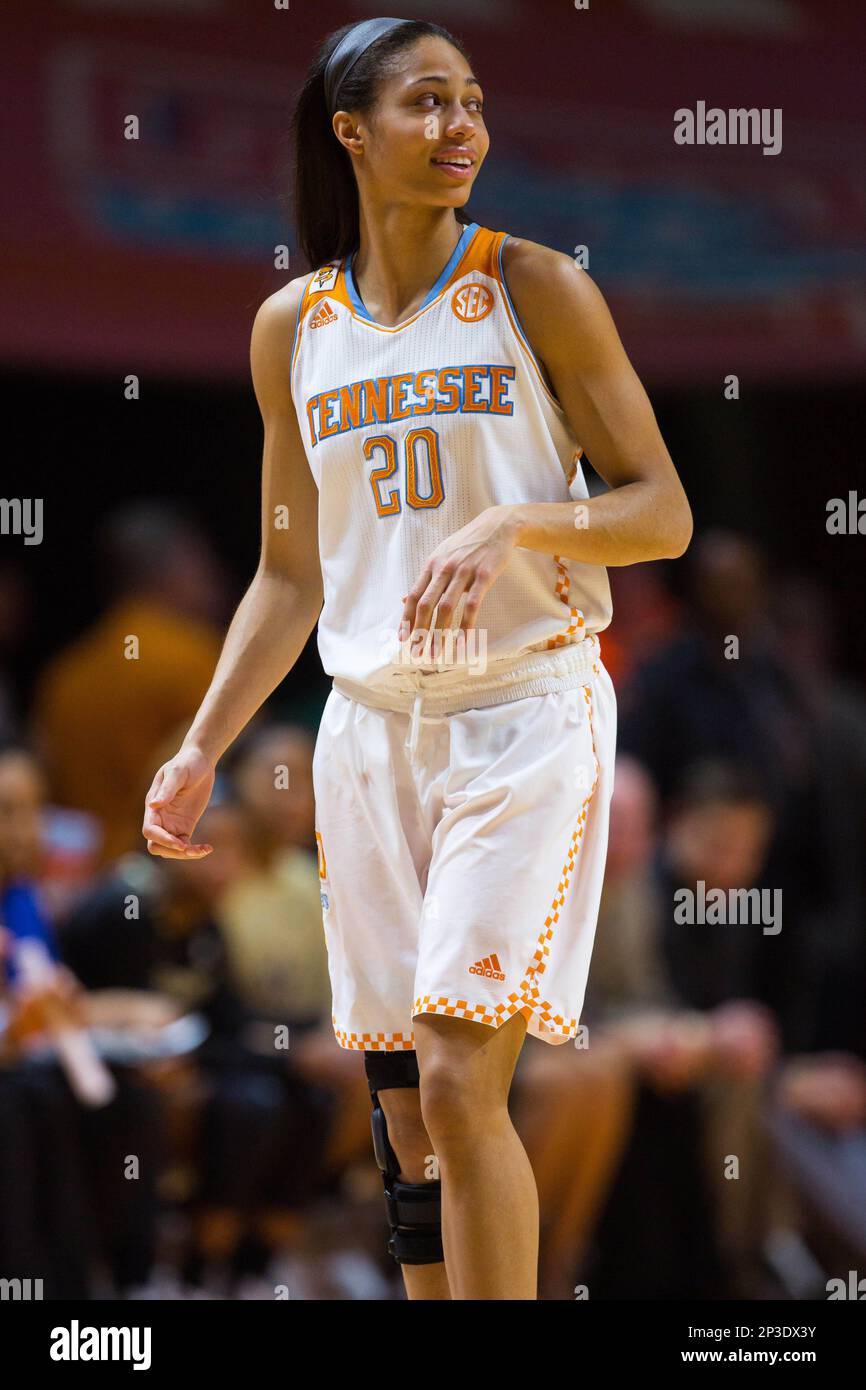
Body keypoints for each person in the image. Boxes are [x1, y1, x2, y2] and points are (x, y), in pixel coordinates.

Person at [141, 17, 692, 1301]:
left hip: (524, 712)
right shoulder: (293, 327)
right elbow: (288, 572)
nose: (462, 130)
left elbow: (659, 509)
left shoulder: (533, 286)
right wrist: (201, 745)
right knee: (402, 1111)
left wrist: (515, 517)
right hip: (368, 726)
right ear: (351, 130)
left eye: (473, 104)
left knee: (456, 1076)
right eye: (427, 103)